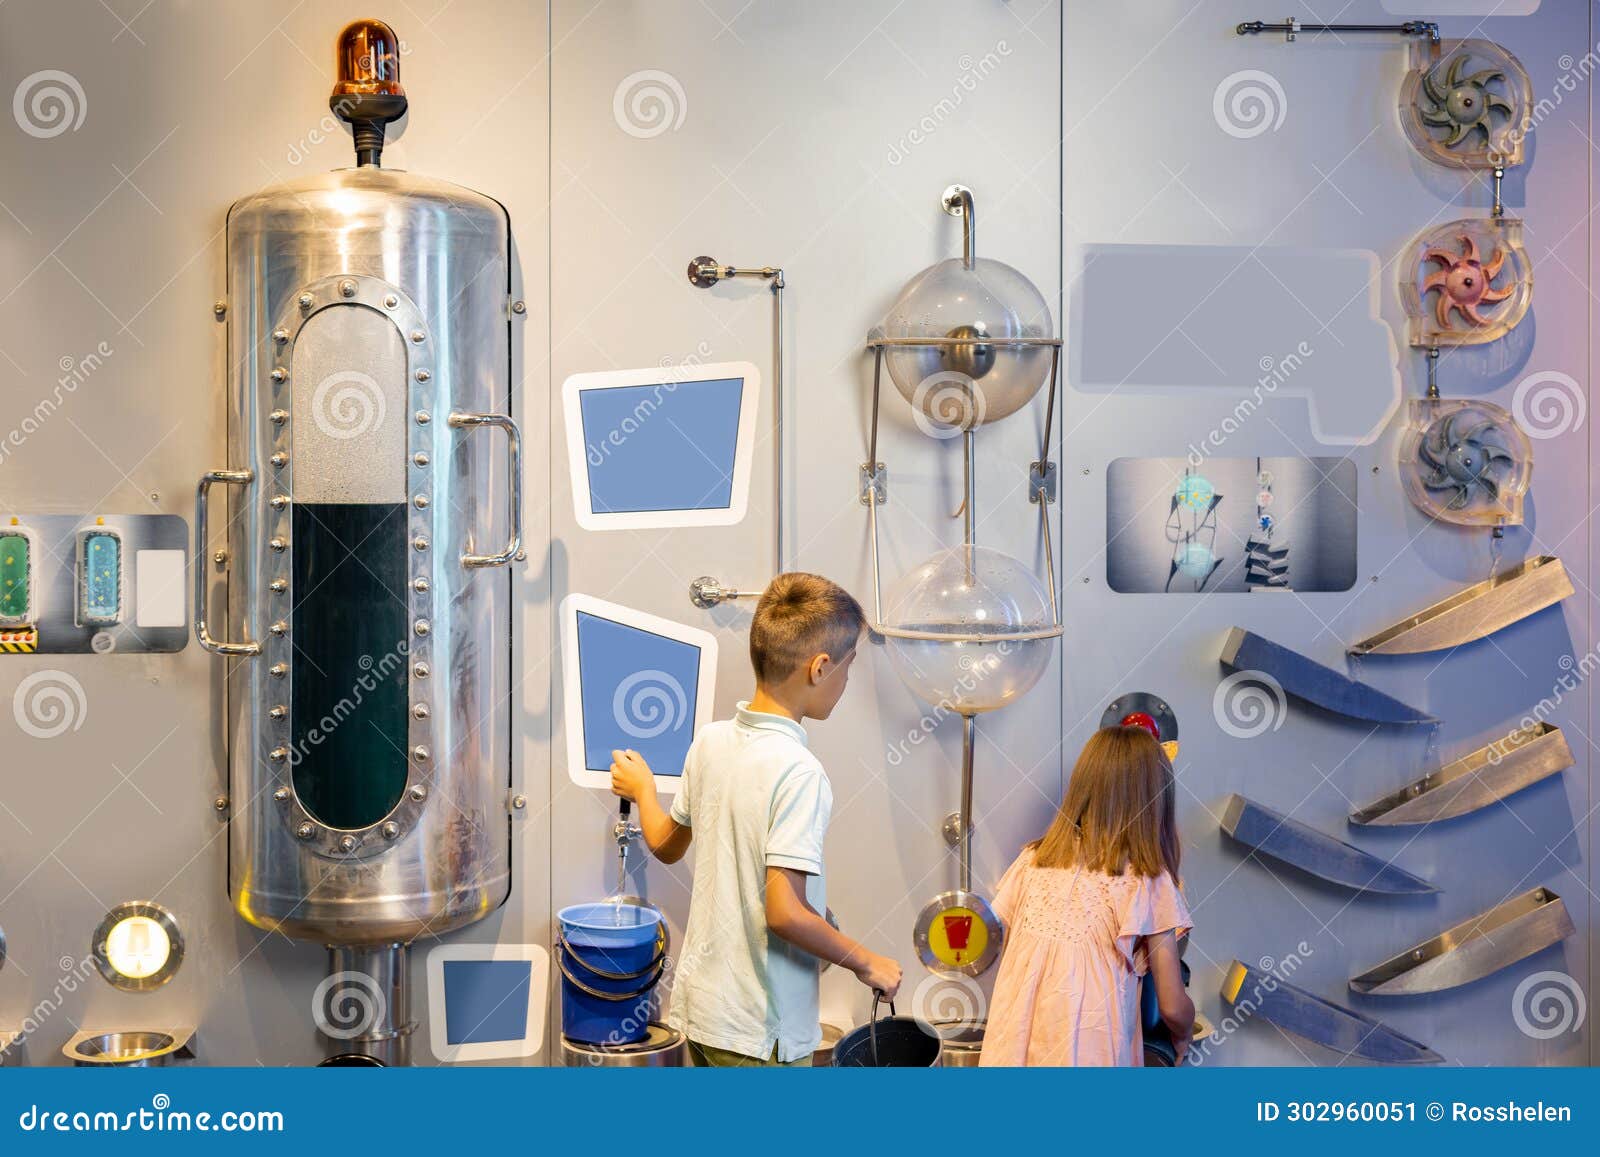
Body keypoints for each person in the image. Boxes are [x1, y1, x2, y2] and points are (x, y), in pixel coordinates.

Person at [610, 572, 903, 1067]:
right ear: (820, 668)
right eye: (849, 667)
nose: (848, 682)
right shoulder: (800, 772)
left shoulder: (711, 742)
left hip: (703, 1017)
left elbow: (667, 845)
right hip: (758, 1034)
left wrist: (643, 791)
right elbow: (784, 913)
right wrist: (865, 960)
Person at [979, 725, 1194, 1066]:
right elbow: (1171, 1005)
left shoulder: (1032, 860)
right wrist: (1183, 1033)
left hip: (1010, 1054)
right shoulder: (1147, 881)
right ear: (1156, 802)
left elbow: (997, 939)